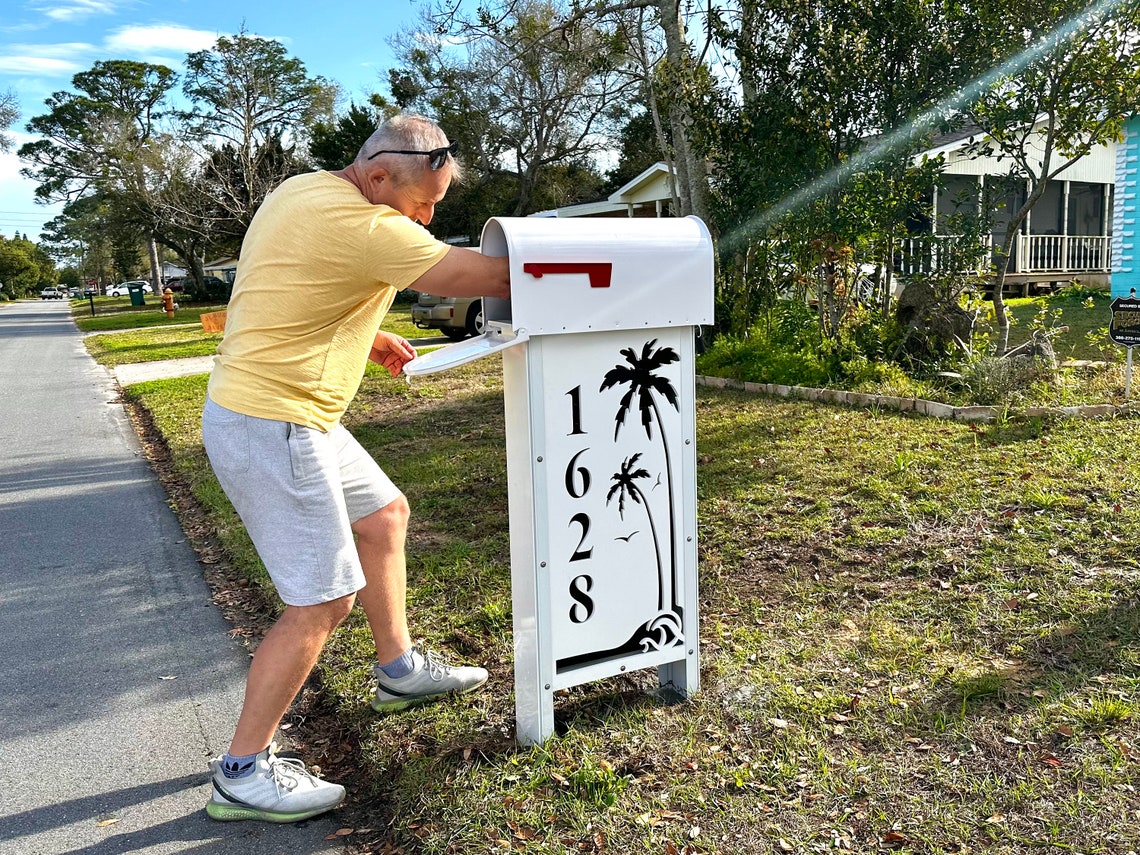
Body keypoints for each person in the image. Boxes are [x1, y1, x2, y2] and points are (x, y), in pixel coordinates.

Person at [200, 113, 510, 824]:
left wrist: (369, 334)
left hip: (285, 410)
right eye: (424, 203)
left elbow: (299, 280)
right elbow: (484, 272)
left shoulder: (302, 191)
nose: (430, 217)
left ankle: (397, 670)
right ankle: (242, 770)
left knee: (384, 515)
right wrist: (600, 262)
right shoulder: (369, 226)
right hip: (273, 422)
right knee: (321, 600)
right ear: (377, 178)